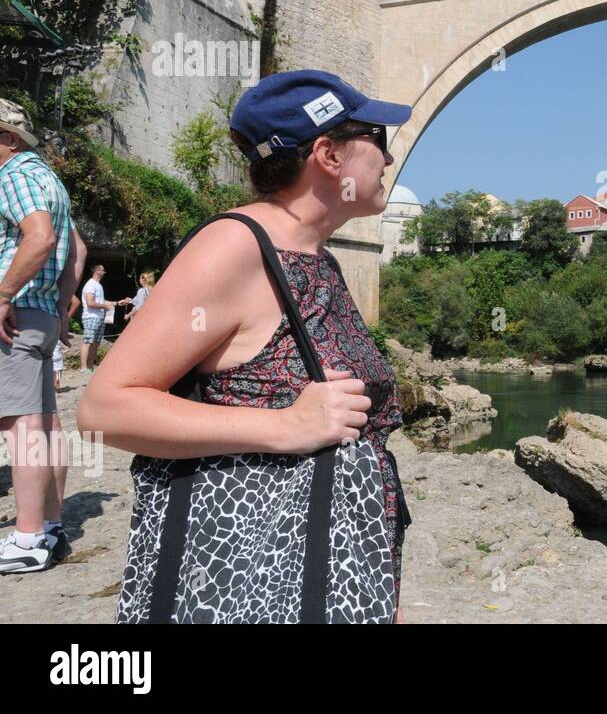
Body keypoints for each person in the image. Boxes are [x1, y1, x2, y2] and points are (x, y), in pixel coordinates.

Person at [80, 69, 413, 622]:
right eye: (377, 138)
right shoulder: (234, 247)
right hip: (248, 586)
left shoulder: (315, 257)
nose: (389, 157)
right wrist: (282, 427)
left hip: (335, 576)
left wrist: (382, 592)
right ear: (329, 154)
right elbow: (104, 409)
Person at [0, 98, 86, 574]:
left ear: (9, 139)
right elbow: (77, 246)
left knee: (19, 424)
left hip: (15, 316)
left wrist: (3, 294)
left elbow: (41, 238)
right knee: (46, 423)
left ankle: (28, 537)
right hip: (40, 315)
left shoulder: (11, 176)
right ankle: (50, 526)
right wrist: (60, 303)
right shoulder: (48, 179)